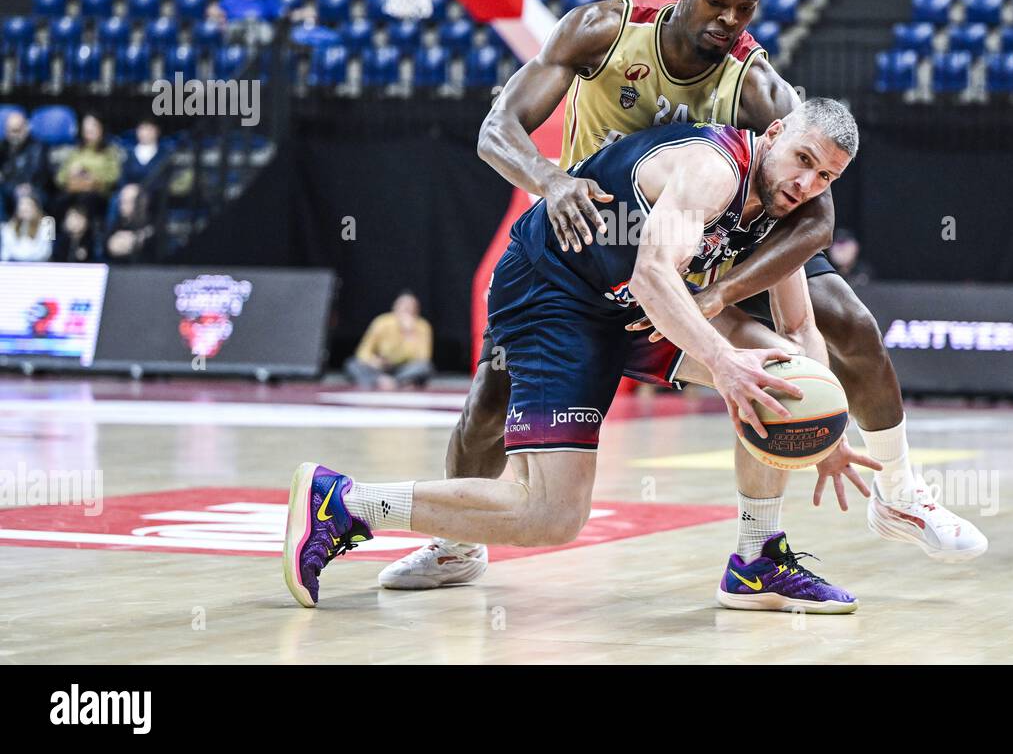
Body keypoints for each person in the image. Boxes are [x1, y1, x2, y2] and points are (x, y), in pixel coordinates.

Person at [378, 0, 986, 598]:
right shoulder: (604, 30)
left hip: (705, 240)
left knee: (835, 330)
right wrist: (550, 181)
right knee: (489, 406)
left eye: (745, 10)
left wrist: (725, 296)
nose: (729, 20)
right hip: (592, 243)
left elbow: (815, 221)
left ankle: (883, 499)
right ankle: (453, 544)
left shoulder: (760, 88)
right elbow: (497, 129)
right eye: (717, 1)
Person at [284, 102, 878, 609]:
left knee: (782, 376)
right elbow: (652, 275)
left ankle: (756, 559)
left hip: (629, 300)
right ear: (774, 134)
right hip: (555, 291)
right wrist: (722, 364)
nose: (806, 183)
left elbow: (800, 326)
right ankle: (345, 503)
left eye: (825, 177)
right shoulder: (714, 168)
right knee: (552, 515)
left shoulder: (783, 207)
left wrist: (823, 426)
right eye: (803, 159)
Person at [345, 292, 434, 390]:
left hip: (405, 368)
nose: (406, 309)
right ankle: (381, 380)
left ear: (416, 310)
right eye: (403, 306)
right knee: (352, 364)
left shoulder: (423, 326)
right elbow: (363, 350)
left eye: (410, 307)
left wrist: (409, 333)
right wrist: (372, 361)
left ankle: (393, 382)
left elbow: (423, 358)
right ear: (395, 307)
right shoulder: (382, 322)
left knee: (425, 368)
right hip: (381, 366)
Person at [54, 113, 121, 221]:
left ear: (101, 128)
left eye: (93, 125)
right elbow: (59, 178)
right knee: (60, 201)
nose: (89, 129)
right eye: (86, 126)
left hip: (97, 193)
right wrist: (70, 173)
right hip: (74, 189)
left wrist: (91, 176)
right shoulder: (76, 151)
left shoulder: (110, 151)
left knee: (85, 199)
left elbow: (114, 176)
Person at [0, 109, 51, 215]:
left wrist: (25, 186)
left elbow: (38, 175)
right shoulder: (3, 147)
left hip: (34, 189)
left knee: (25, 197)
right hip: (8, 188)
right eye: (10, 131)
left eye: (17, 130)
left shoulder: (38, 147)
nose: (14, 135)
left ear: (26, 128)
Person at [104, 184, 154, 262]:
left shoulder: (152, 230)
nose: (122, 206)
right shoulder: (116, 226)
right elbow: (111, 247)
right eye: (121, 201)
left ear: (143, 202)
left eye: (128, 202)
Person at [0, 192, 54, 262]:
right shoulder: (8, 227)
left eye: (29, 205)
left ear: (36, 208)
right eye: (21, 204)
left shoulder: (48, 224)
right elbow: (5, 254)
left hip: (39, 265)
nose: (24, 208)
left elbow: (46, 252)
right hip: (14, 265)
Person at [121, 117, 166, 186]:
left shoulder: (165, 154)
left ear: (157, 131)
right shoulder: (127, 153)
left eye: (149, 129)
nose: (145, 133)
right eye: (142, 128)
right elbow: (121, 178)